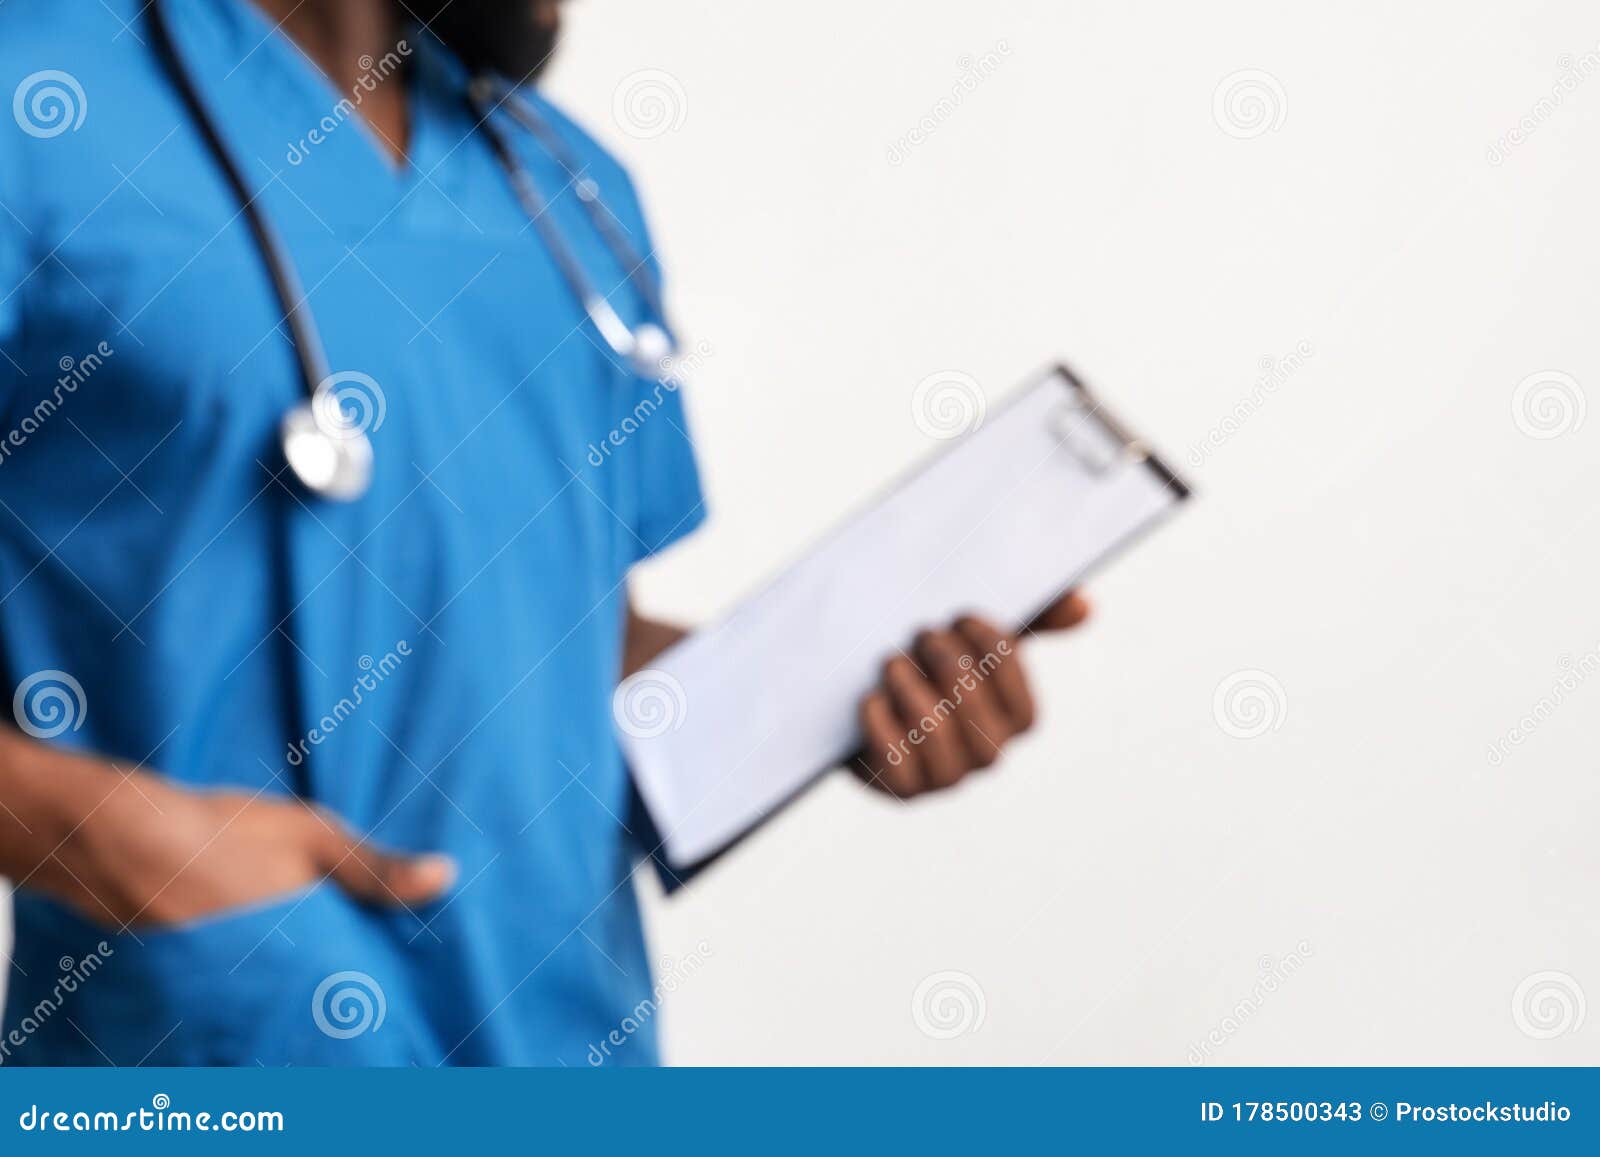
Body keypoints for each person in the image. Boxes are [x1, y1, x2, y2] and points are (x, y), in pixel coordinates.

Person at [0, 0, 1089, 1066]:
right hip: (217, 1055)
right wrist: (110, 842)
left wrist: (845, 688)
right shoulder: (40, 100)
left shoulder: (565, 184)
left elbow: (560, 647)